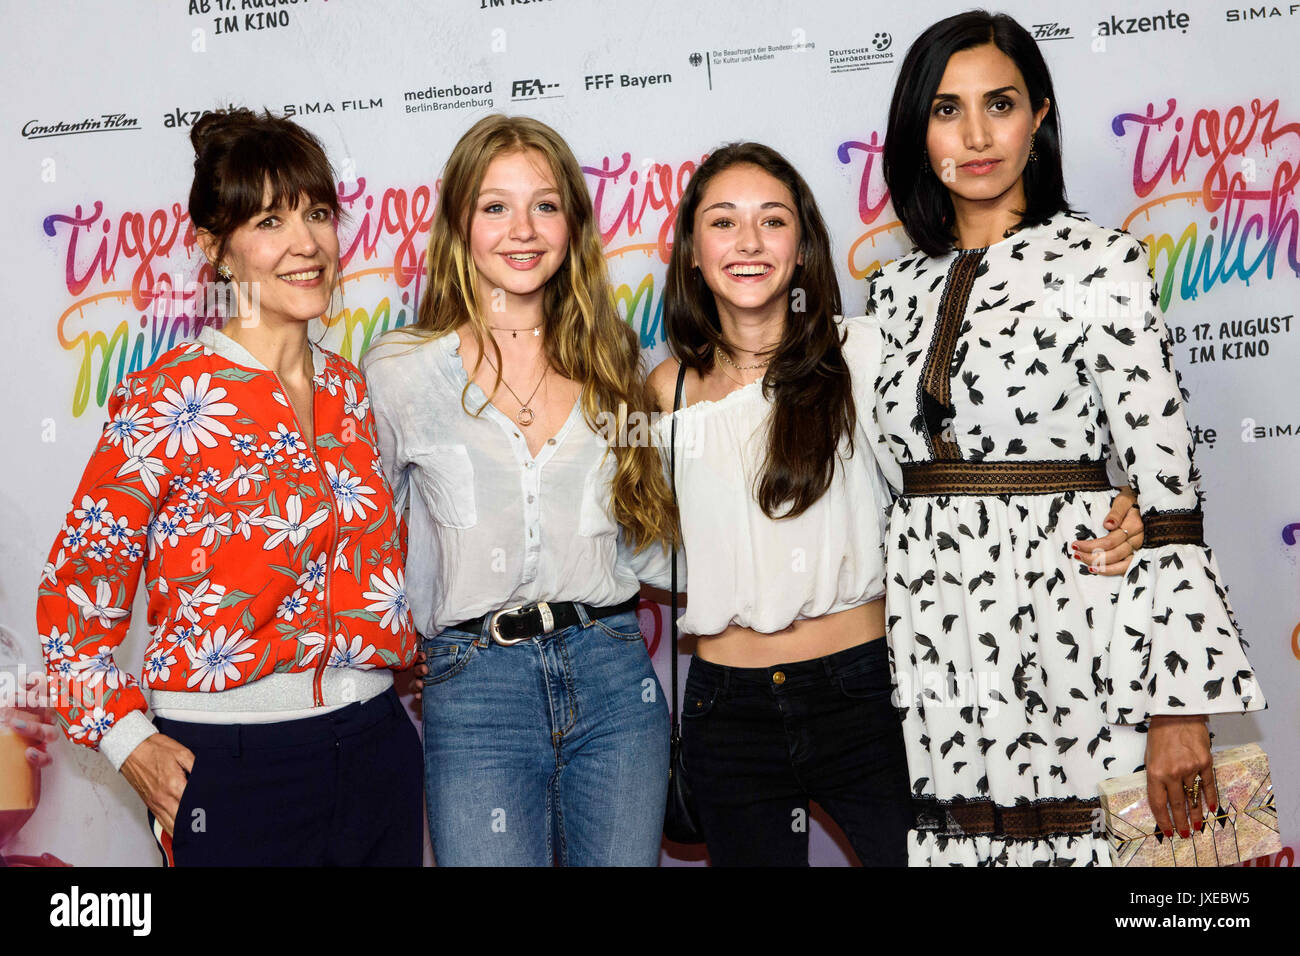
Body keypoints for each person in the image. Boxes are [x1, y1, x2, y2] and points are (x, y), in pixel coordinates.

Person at [644, 142, 1146, 865]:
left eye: (773, 221)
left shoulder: (868, 352)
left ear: (804, 245)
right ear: (692, 250)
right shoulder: (666, 394)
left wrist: (1126, 497)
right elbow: (644, 547)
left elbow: (985, 460)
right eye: (723, 222)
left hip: (867, 693)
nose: (748, 243)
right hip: (728, 712)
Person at [867, 11, 1265, 865]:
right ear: (915, 128)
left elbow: (1167, 496)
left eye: (999, 105)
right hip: (948, 654)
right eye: (946, 110)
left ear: (1039, 116)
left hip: (1080, 633)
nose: (976, 136)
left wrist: (1180, 705)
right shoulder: (889, 292)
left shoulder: (1102, 265)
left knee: (1131, 868)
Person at [34, 108, 422, 866]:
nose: (306, 243)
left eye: (316, 213)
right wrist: (129, 742)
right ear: (215, 251)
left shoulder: (351, 390)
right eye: (269, 221)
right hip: (234, 773)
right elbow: (71, 604)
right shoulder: (167, 400)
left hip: (378, 750)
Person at [362, 114, 674, 867]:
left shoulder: (614, 359)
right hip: (475, 690)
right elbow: (368, 536)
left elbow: (650, 536)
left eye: (545, 204)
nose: (522, 229)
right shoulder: (401, 371)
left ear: (572, 222)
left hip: (614, 675)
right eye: (495, 206)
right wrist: (384, 650)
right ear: (460, 226)